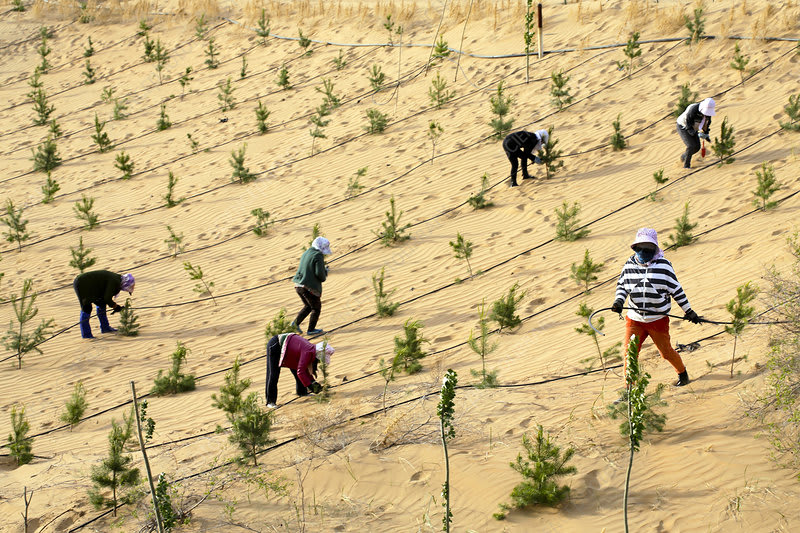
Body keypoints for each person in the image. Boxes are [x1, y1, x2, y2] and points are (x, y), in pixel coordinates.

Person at [610, 228, 702, 386]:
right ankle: (629, 390)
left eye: (647, 248)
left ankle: (682, 373)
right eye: (639, 248)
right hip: (634, 319)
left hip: (658, 320)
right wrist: (619, 302)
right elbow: (622, 286)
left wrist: (689, 312)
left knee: (666, 353)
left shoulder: (664, 266)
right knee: (629, 354)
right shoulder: (629, 265)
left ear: (654, 248)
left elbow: (676, 290)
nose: (643, 252)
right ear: (634, 248)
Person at [265, 333, 334, 408]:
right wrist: (311, 386)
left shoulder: (311, 351)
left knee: (297, 369)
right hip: (276, 345)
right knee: (273, 374)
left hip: (290, 351)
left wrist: (313, 382)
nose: (319, 362)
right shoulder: (308, 352)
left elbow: (305, 370)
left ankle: (302, 392)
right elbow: (301, 372)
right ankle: (270, 402)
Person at [73, 270, 135, 339]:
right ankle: (86, 335)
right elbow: (107, 298)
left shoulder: (118, 279)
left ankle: (105, 327)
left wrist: (114, 306)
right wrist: (115, 306)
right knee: (87, 308)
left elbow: (105, 297)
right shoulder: (115, 282)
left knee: (101, 303)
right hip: (82, 284)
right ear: (126, 284)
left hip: (93, 286)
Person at [291, 236, 331, 335]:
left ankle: (295, 324)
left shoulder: (307, 252)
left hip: (298, 285)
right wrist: (325, 272)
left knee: (308, 306)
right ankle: (311, 330)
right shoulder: (318, 255)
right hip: (308, 287)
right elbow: (320, 275)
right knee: (316, 308)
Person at [676, 97, 715, 169]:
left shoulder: (708, 115)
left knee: (697, 147)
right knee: (691, 145)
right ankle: (686, 166)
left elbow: (706, 124)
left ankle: (684, 157)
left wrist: (705, 134)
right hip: (683, 126)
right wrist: (695, 133)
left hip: (694, 128)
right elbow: (688, 126)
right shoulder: (692, 110)